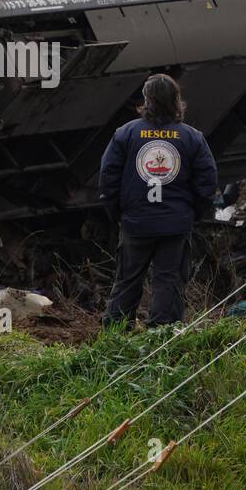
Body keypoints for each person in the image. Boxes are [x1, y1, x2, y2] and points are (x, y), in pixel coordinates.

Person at [99, 74, 218, 327]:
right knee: (169, 280)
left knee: (127, 279)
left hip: (136, 222)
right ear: (176, 100)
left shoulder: (125, 134)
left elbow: (108, 179)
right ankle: (161, 335)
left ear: (146, 100)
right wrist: (191, 214)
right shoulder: (192, 137)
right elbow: (207, 183)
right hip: (175, 224)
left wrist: (118, 213)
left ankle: (115, 333)